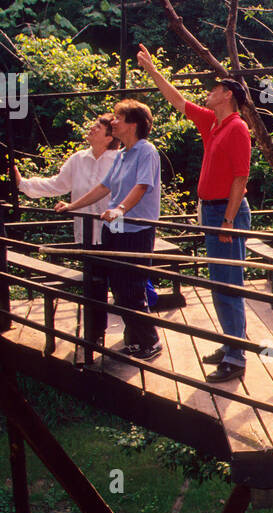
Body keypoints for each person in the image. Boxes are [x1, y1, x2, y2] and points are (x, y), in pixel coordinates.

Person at [137, 45, 252, 384]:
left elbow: (240, 177)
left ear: (227, 95)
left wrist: (229, 220)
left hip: (225, 213)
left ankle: (235, 356)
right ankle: (234, 342)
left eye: (214, 88)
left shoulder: (237, 128)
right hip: (211, 211)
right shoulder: (213, 124)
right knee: (221, 282)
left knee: (228, 283)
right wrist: (153, 71)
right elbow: (177, 101)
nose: (208, 92)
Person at [57, 100, 163, 362]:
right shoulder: (123, 154)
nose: (113, 122)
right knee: (118, 286)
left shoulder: (146, 151)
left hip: (136, 228)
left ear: (133, 124)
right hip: (114, 226)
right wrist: (72, 205)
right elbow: (104, 188)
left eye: (118, 118)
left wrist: (121, 209)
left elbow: (142, 186)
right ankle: (136, 340)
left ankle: (150, 340)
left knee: (132, 286)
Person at [13, 116, 121, 365]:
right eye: (92, 124)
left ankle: (136, 335)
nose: (91, 128)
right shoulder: (78, 159)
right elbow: (57, 184)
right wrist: (23, 184)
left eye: (98, 127)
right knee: (93, 285)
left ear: (109, 137)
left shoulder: (119, 160)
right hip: (86, 232)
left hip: (114, 230)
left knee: (120, 283)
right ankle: (94, 337)